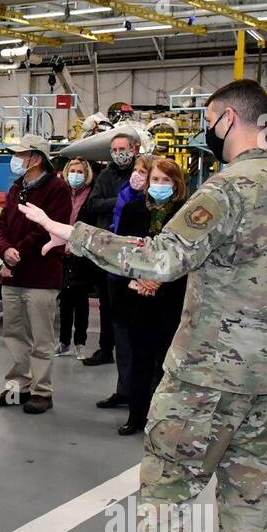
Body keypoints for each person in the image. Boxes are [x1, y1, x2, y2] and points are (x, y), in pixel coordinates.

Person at [19, 78, 267, 532]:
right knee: (247, 488)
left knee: (167, 487)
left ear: (225, 120)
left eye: (208, 121)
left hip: (206, 374)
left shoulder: (224, 191)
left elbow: (164, 257)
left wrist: (75, 234)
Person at [0, 134, 71, 414]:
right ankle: (17, 388)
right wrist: (4, 251)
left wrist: (16, 253)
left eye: (21, 154)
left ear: (36, 159)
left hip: (41, 275)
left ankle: (41, 391)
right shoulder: (16, 188)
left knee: (41, 336)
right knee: (14, 334)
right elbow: (1, 225)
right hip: (13, 275)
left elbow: (48, 230)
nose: (15, 159)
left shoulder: (58, 189)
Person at [120, 158, 189, 436]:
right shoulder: (133, 209)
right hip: (138, 295)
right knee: (140, 359)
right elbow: (123, 248)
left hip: (171, 298)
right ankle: (136, 416)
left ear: (177, 185)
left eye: (166, 180)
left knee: (166, 362)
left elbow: (186, 258)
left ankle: (161, 418)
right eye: (155, 180)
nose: (159, 185)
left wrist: (160, 281)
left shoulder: (184, 215)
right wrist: (141, 278)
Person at [98, 153, 155, 412]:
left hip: (142, 280)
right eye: (137, 169)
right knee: (122, 338)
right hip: (117, 274)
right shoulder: (124, 197)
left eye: (144, 171)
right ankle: (125, 389)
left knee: (144, 343)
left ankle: (143, 396)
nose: (137, 175)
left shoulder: (154, 209)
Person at [79, 133, 138, 366]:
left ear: (133, 149)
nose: (118, 153)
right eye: (114, 149)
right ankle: (106, 348)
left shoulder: (140, 173)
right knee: (106, 301)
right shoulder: (105, 175)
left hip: (133, 247)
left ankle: (131, 350)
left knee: (130, 302)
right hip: (107, 246)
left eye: (122, 148)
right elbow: (93, 205)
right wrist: (121, 201)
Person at [56, 159, 97, 360]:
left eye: (80, 171)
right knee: (65, 300)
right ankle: (63, 342)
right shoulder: (62, 193)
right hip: (62, 251)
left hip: (81, 254)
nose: (75, 174)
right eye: (72, 171)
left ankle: (80, 342)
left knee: (80, 301)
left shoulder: (91, 195)